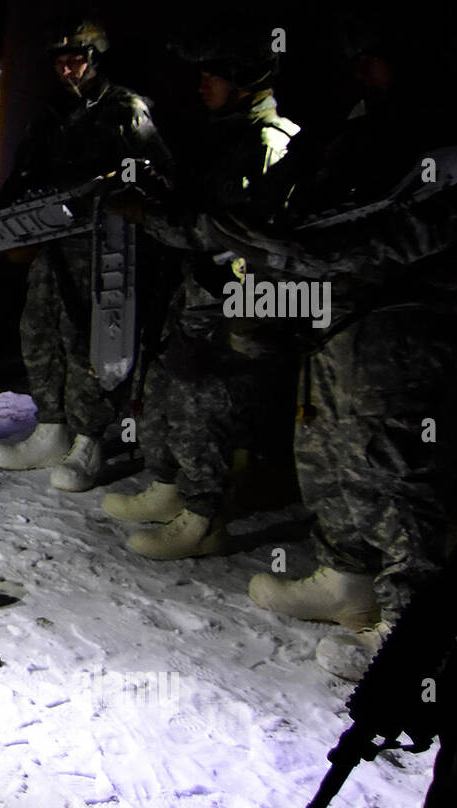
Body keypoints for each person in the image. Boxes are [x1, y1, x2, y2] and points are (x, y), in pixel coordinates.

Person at [203, 27, 457, 680]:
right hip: (337, 315)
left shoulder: (450, 131)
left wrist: (306, 255)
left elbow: (416, 231)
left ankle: (415, 628)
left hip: (409, 326)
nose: (363, 69)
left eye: (375, 58)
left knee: (400, 467)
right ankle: (349, 579)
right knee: (331, 448)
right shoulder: (363, 126)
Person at [102, 31, 300, 559]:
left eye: (215, 73)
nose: (202, 83)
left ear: (245, 81)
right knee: (172, 391)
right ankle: (171, 485)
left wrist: (155, 218)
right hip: (201, 291)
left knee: (207, 404)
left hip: (234, 297)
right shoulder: (228, 136)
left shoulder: (265, 142)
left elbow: (234, 234)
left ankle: (204, 515)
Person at [0, 18, 171, 487]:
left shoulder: (126, 109)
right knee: (38, 330)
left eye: (75, 60)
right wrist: (0, 228)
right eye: (59, 61)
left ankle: (89, 439)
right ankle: (51, 426)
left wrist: (128, 199)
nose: (66, 69)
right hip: (51, 242)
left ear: (95, 60)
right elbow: (23, 177)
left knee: (91, 340)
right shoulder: (51, 112)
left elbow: (158, 176)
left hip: (104, 246)